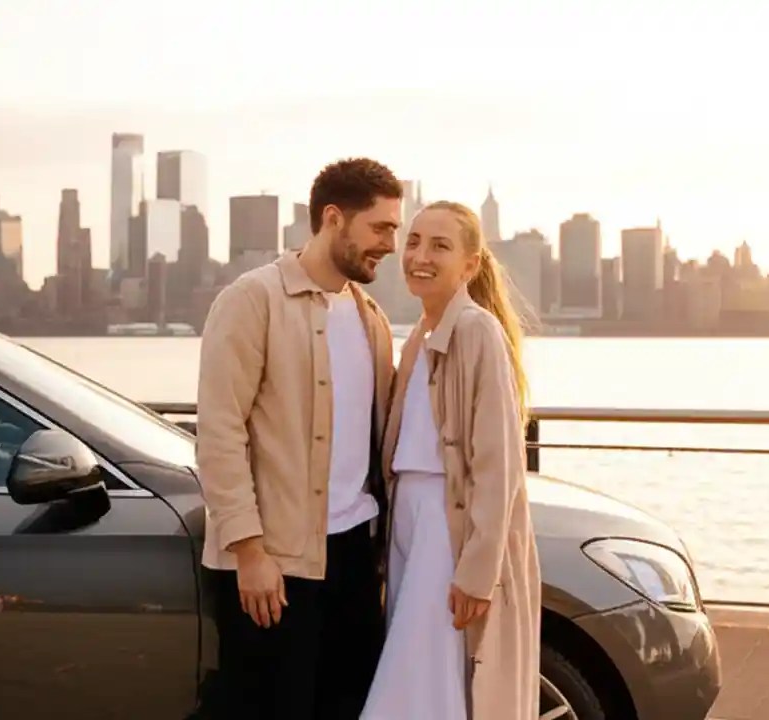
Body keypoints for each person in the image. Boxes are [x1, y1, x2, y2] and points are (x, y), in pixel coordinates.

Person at [195, 157, 403, 719]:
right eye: (380, 227)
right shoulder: (251, 300)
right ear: (333, 218)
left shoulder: (372, 318)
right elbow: (218, 433)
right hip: (276, 564)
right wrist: (249, 550)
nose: (391, 243)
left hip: (355, 555)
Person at [361, 200, 542, 719]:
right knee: (426, 676)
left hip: (447, 524)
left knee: (420, 678)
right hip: (409, 520)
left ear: (471, 264)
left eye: (440, 245)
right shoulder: (420, 335)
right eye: (414, 241)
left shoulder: (475, 330)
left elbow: (499, 462)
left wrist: (478, 571)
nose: (420, 255)